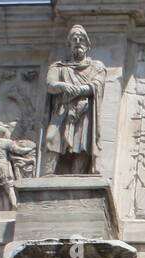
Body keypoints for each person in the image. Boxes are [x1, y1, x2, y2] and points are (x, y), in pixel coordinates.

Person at [44, 24, 106, 174]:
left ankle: (78, 174)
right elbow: (50, 84)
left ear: (87, 44)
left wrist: (81, 90)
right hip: (63, 108)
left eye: (81, 38)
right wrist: (63, 86)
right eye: (74, 39)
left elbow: (98, 83)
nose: (78, 41)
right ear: (69, 44)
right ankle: (48, 172)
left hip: (84, 107)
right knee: (51, 137)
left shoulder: (96, 66)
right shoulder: (59, 67)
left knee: (83, 142)